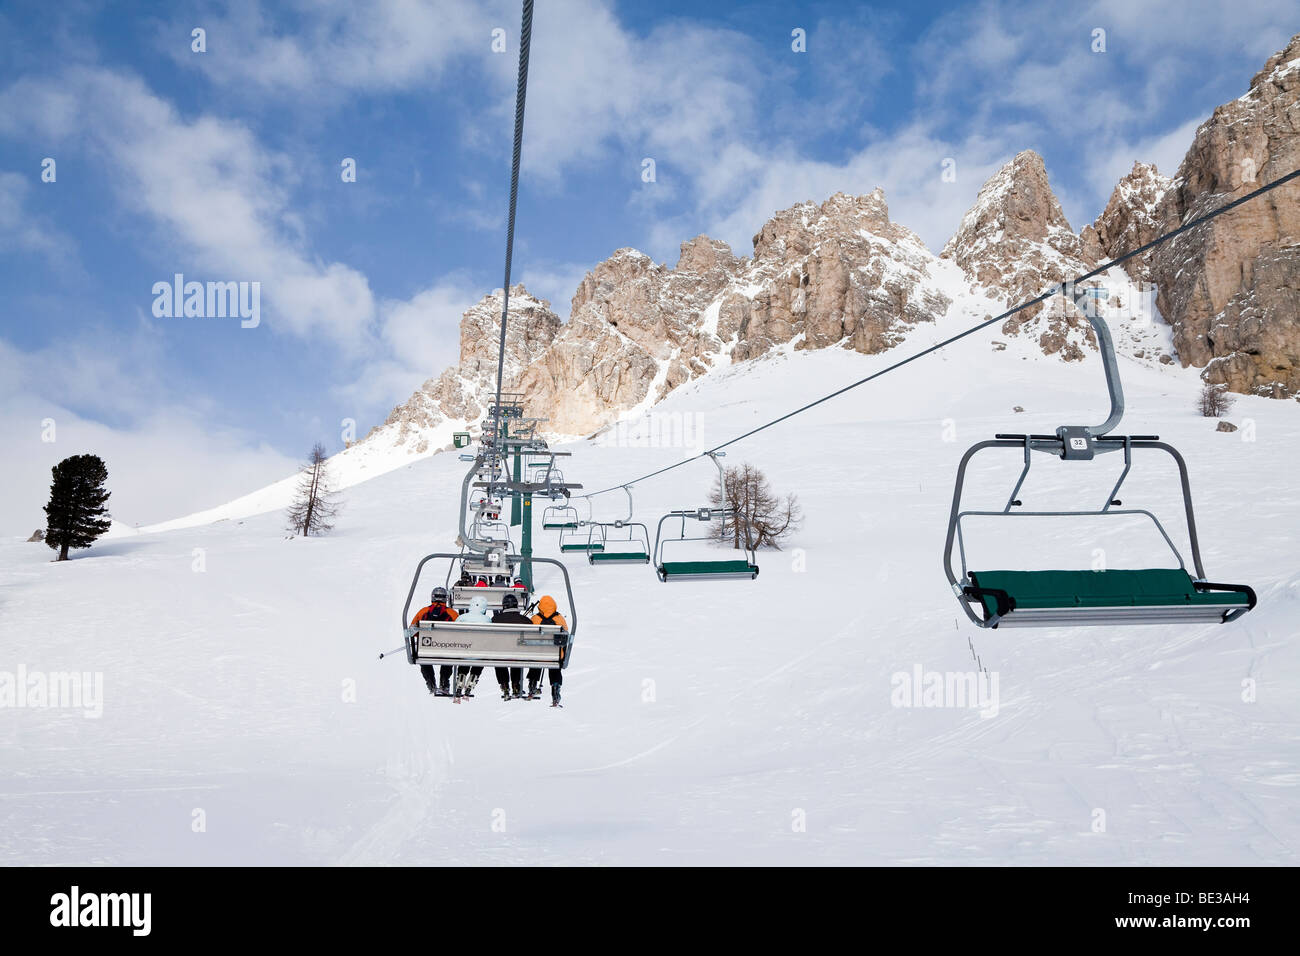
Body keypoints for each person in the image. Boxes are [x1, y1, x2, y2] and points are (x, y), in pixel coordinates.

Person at [409, 587, 458, 696]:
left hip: (427, 649)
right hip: (447, 649)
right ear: (445, 599)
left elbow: (412, 630)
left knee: (423, 657)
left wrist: (421, 635)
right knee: (449, 657)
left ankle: (430, 683)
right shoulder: (452, 614)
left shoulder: (423, 612)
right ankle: (444, 682)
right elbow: (459, 633)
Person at [527, 594, 567, 707]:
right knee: (554, 667)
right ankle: (555, 690)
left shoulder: (535, 618)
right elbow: (566, 636)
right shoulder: (559, 619)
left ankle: (532, 684)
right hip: (555, 654)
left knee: (537, 662)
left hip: (537, 653)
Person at [491, 593, 530, 700]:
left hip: (501, 654)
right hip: (518, 654)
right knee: (517, 653)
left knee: (499, 655)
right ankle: (516, 684)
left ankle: (504, 684)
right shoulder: (525, 621)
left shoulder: (495, 619)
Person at [452, 595, 491, 700]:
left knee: (465, 655)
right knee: (479, 658)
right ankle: (472, 680)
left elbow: (453, 634)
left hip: (463, 651)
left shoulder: (462, 618)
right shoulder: (487, 620)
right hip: (479, 654)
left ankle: (461, 679)